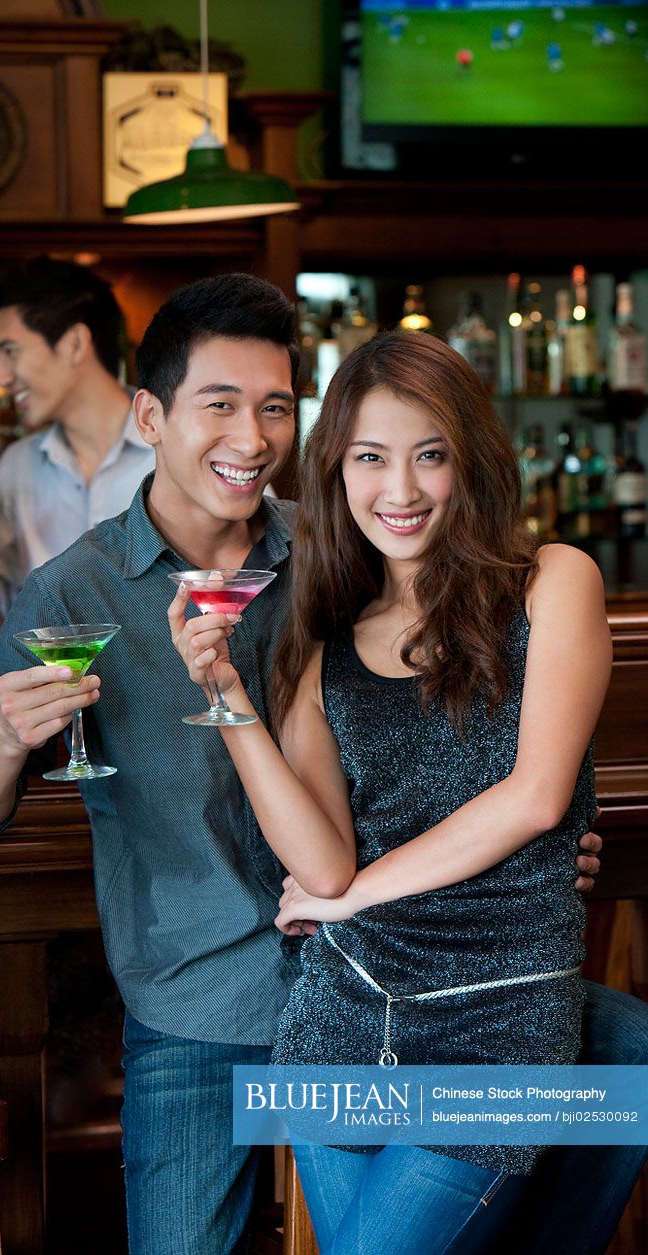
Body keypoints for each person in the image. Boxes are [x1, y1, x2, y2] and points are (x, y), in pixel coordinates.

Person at [0, 275, 639, 1255]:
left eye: (272, 407)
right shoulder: (74, 590)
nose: (251, 436)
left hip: (396, 969)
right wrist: (10, 734)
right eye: (218, 404)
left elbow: (500, 763)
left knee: (624, 1060)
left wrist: (533, 846)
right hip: (208, 999)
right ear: (149, 415)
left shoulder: (342, 548)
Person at [169, 330, 642, 1253]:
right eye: (371, 459)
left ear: (473, 462)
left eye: (432, 456)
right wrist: (227, 697)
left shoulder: (555, 583)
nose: (403, 490)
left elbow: (537, 798)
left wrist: (349, 896)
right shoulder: (324, 637)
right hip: (342, 1022)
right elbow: (322, 859)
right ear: (335, 471)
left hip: (502, 1025)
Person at [0, 255, 154, 636]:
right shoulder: (17, 465)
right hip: (56, 688)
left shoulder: (178, 446)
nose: (1, 377)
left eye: (10, 351)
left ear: (75, 344)